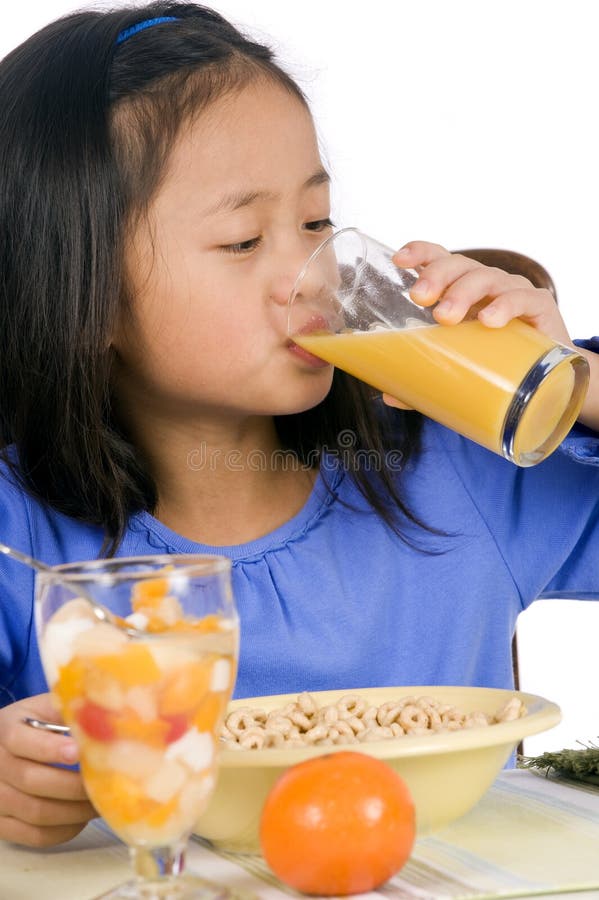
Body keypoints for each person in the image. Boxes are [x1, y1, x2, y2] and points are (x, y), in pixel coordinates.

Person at [0, 1, 598, 849]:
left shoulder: (454, 467)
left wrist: (581, 387)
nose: (309, 276)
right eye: (243, 240)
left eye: (316, 221)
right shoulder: (18, 535)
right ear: (83, 297)